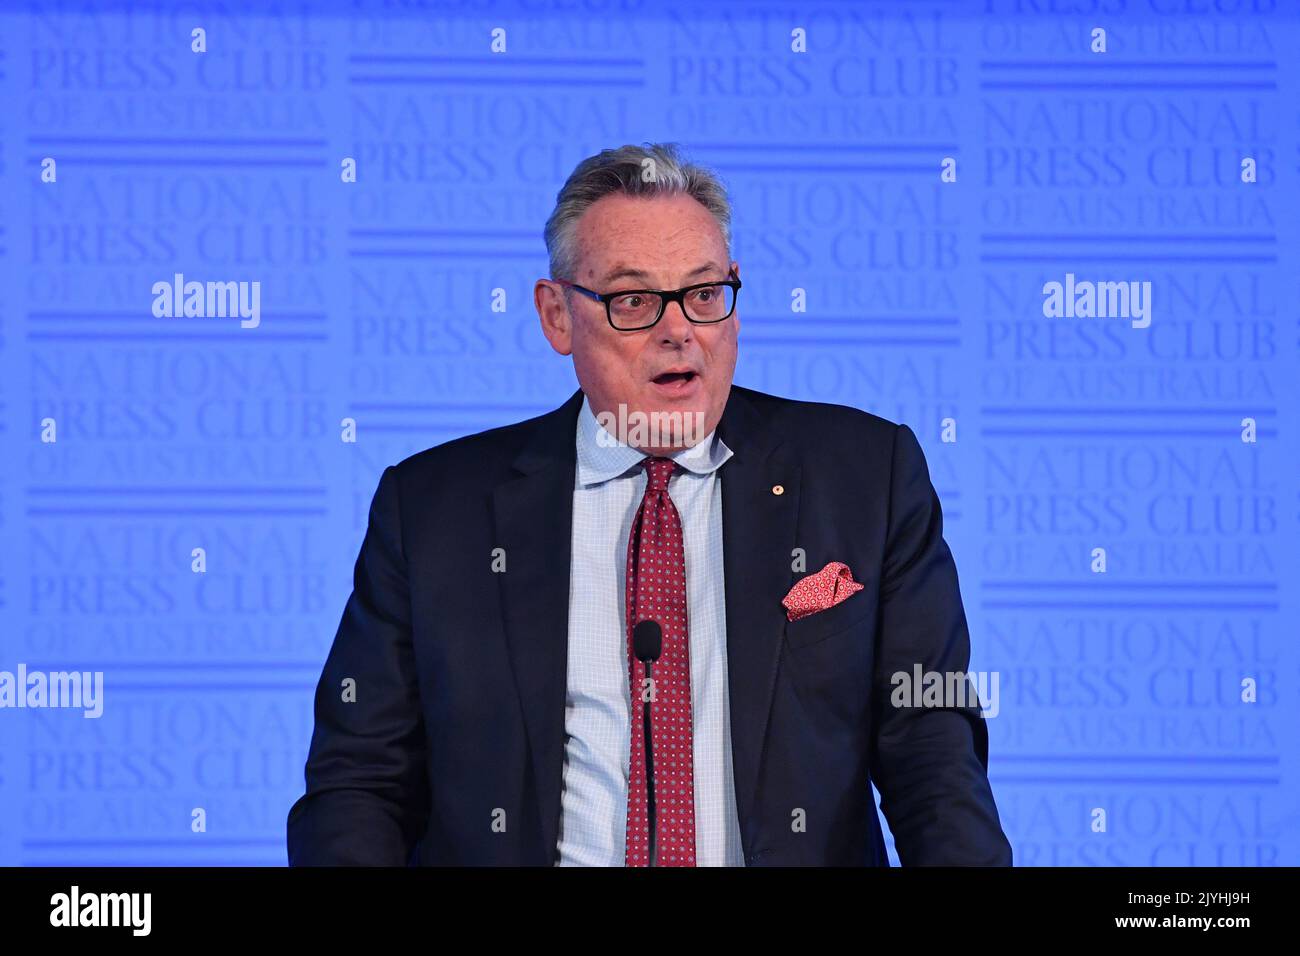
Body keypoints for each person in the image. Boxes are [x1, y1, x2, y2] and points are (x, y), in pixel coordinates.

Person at [287, 143, 1012, 866]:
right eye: (634, 300)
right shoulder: (435, 510)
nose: (679, 330)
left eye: (703, 294)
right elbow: (360, 781)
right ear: (557, 317)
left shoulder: (866, 477)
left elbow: (932, 747)